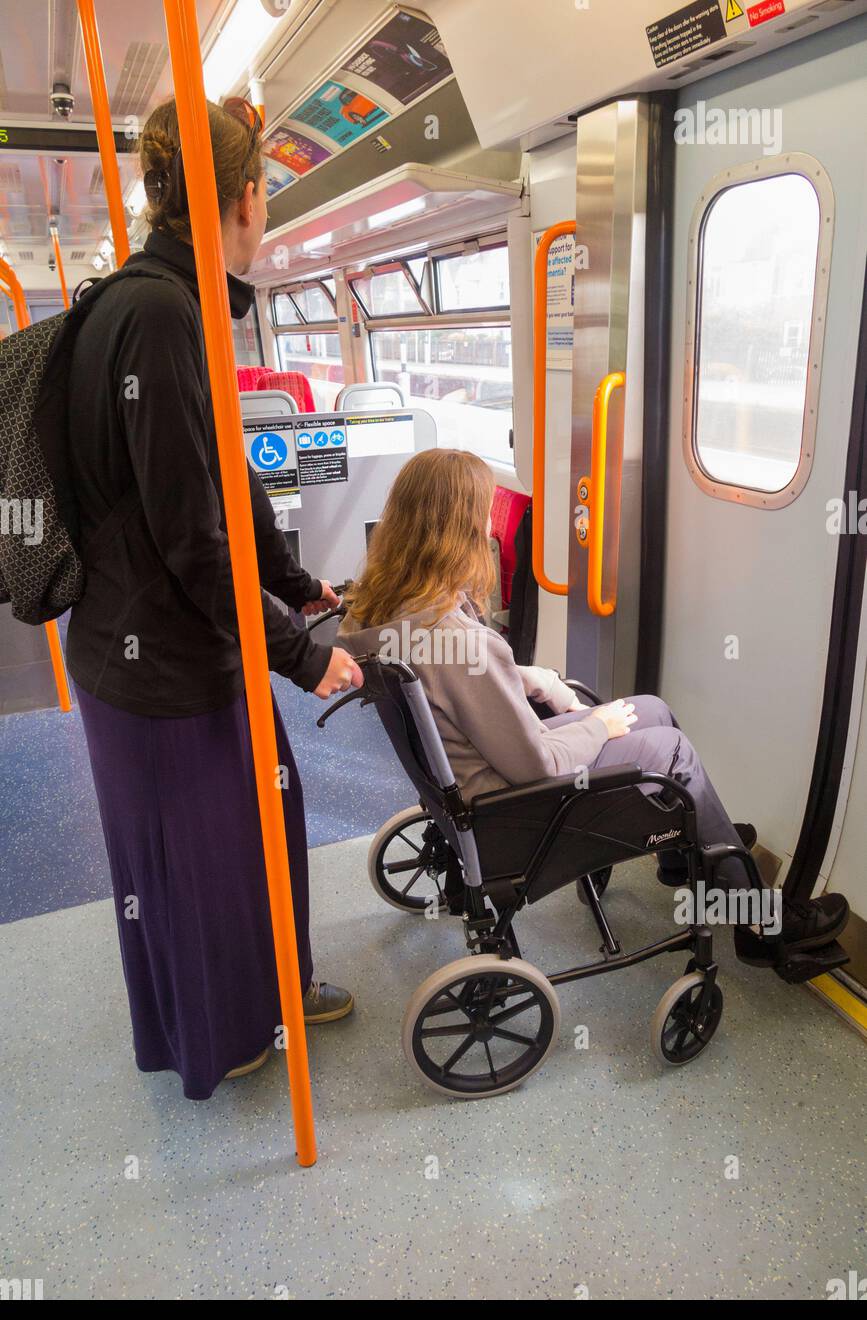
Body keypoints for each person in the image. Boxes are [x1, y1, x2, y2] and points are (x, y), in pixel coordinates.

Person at [66, 97, 363, 1100]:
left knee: (254, 825)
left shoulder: (165, 301)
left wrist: (288, 581)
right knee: (198, 874)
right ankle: (226, 1036)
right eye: (267, 192)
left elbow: (221, 478)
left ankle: (268, 991)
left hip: (164, 644)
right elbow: (193, 539)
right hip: (159, 663)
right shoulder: (156, 315)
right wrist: (303, 650)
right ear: (243, 197)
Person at [338, 449, 849, 950]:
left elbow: (453, 682)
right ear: (463, 532)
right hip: (509, 811)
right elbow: (534, 765)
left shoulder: (382, 612)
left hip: (467, 785)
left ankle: (684, 852)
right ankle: (757, 922)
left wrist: (531, 677)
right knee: (669, 747)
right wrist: (597, 727)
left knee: (648, 707)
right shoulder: (461, 640)